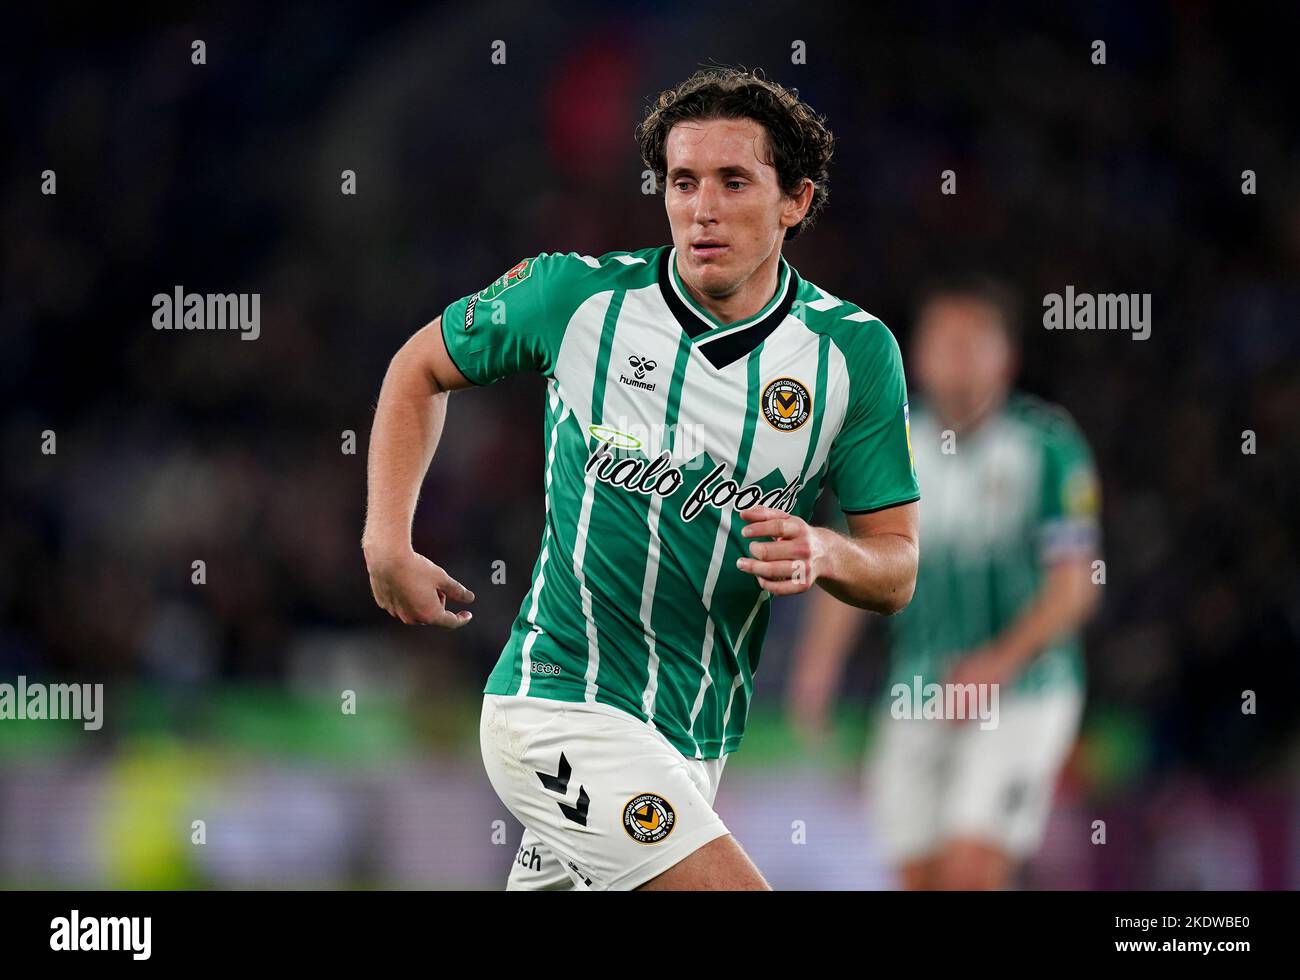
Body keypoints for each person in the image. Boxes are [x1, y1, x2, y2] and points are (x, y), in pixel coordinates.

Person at [362, 67, 919, 891]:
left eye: (735, 181)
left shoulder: (854, 355)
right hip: (559, 705)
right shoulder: (579, 298)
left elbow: (897, 565)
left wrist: (829, 554)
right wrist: (386, 538)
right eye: (683, 182)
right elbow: (419, 368)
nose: (703, 207)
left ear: (795, 200)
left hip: (696, 741)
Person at [787, 279, 1102, 890]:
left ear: (1005, 357)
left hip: (1024, 691)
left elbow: (1077, 585)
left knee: (971, 872)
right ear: (918, 356)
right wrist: (816, 669)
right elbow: (851, 561)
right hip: (919, 691)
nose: (955, 355)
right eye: (942, 341)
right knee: (921, 878)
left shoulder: (1047, 446)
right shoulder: (885, 449)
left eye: (972, 342)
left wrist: (998, 663)